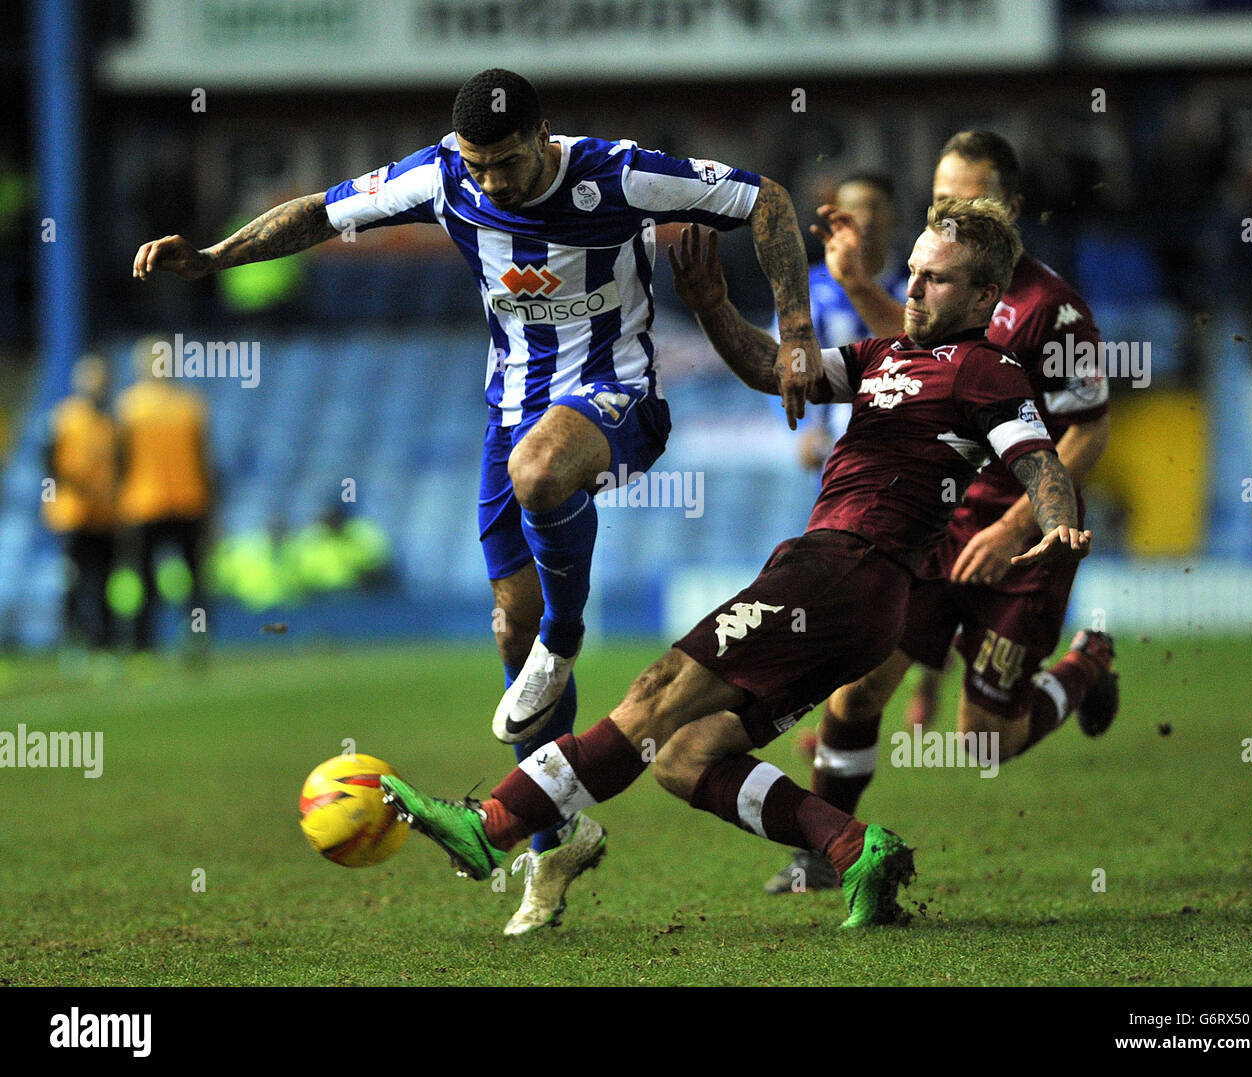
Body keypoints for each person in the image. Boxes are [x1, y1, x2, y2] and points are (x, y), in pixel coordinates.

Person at [131, 69, 819, 936]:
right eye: (476, 163)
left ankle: (566, 640)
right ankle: (557, 837)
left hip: (620, 397)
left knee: (542, 480)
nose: (488, 180)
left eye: (504, 162)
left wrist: (795, 332)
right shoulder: (443, 176)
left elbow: (768, 199)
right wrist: (214, 257)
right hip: (510, 412)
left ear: (542, 135)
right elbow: (318, 210)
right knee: (508, 624)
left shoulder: (621, 174)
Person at [378, 198, 1093, 931]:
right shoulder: (885, 357)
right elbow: (772, 368)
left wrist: (1060, 524)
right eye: (911, 272)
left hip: (846, 566)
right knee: (686, 753)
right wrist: (716, 306)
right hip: (859, 598)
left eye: (936, 280)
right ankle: (856, 848)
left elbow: (1037, 459)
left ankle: (491, 824)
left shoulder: (986, 371)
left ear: (982, 297)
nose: (910, 288)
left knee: (656, 695)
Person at [766, 131, 1119, 895]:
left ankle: (1085, 667)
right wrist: (859, 283)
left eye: (971, 199)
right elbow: (914, 342)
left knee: (982, 743)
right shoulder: (945, 282)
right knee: (858, 686)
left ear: (1012, 210)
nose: (951, 213)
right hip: (936, 521)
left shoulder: (1052, 311)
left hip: (1018, 535)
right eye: (940, 200)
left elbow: (1088, 428)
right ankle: (822, 851)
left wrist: (1012, 527)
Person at [774, 172, 908, 477]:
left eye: (874, 206)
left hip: (907, 443)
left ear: (892, 214)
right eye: (853, 207)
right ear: (834, 218)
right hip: (839, 454)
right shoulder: (808, 289)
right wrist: (805, 430)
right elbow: (782, 366)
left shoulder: (917, 282)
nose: (865, 217)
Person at [115, 337, 214, 657]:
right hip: (163, 503)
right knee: (179, 581)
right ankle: (159, 639)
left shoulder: (131, 406)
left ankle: (157, 641)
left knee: (180, 581)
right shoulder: (186, 403)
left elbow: (202, 459)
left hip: (161, 503)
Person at [42, 354, 118, 663]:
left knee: (104, 579)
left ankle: (104, 640)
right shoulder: (64, 418)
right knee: (73, 579)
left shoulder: (112, 422)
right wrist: (53, 502)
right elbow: (48, 467)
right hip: (72, 513)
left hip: (105, 515)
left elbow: (122, 466)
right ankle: (73, 640)